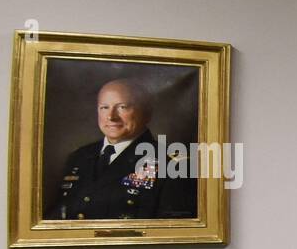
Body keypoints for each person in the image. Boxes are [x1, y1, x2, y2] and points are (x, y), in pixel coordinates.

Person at [46, 79, 195, 220]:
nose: (111, 117)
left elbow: (174, 231)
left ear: (146, 114)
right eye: (104, 107)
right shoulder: (78, 157)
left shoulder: (171, 163)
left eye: (122, 107)